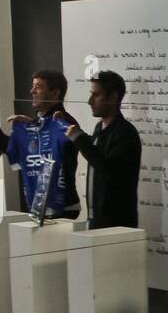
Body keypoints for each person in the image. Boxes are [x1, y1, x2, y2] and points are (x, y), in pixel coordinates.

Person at [0, 69, 81, 217]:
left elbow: (55, 151)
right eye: (32, 86)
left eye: (38, 87)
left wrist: (35, 129)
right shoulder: (38, 124)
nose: (32, 91)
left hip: (63, 206)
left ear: (55, 93)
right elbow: (12, 150)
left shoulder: (64, 122)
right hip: (41, 204)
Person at [60, 71, 141, 230]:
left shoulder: (125, 133)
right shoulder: (100, 128)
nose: (90, 101)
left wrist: (80, 139)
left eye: (96, 95)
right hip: (98, 220)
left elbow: (108, 168)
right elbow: (96, 151)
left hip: (116, 223)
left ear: (112, 98)